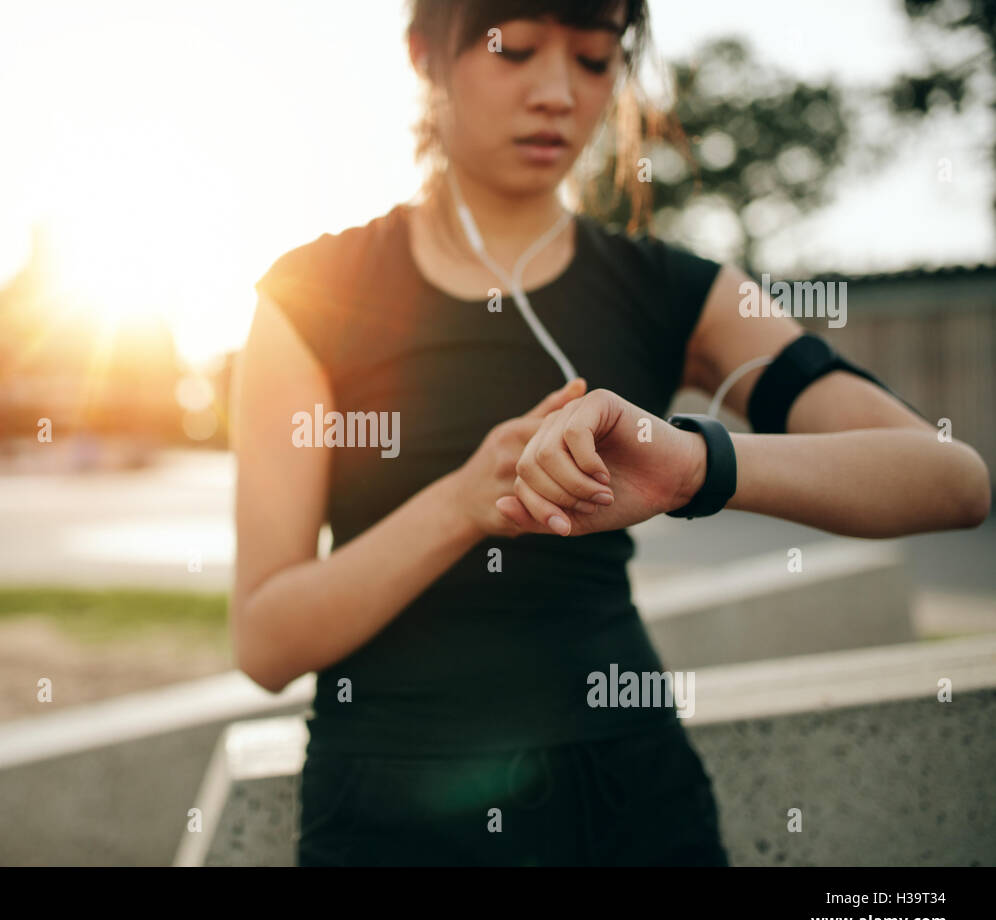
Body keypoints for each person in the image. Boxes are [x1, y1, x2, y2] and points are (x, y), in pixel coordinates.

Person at [229, 0, 991, 866]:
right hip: (384, 812)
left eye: (594, 60)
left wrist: (692, 465)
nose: (558, 92)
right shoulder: (310, 297)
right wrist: (464, 503)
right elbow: (266, 640)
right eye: (513, 50)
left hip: (628, 804)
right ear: (425, 55)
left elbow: (950, 479)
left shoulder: (674, 292)